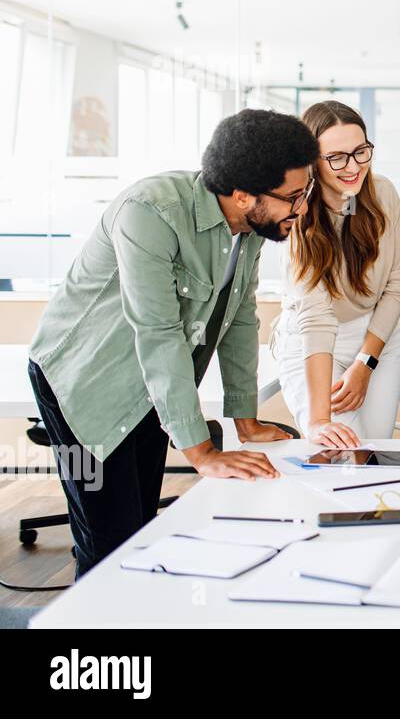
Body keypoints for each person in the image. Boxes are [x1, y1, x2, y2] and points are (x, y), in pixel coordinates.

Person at [27, 109, 319, 575]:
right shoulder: (150, 212)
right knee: (109, 547)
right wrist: (202, 454)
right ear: (243, 195)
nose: (302, 208)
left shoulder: (253, 227)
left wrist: (244, 420)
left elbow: (239, 317)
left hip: (150, 384)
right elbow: (157, 332)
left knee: (142, 533)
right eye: (293, 197)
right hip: (83, 382)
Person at [275, 101, 400, 449]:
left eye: (360, 152)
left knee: (375, 453)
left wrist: (365, 363)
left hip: (375, 338)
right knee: (343, 452)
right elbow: (317, 319)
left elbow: (396, 285)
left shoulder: (383, 194)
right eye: (336, 157)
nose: (353, 167)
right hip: (315, 342)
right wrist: (319, 420)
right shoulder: (297, 214)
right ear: (312, 162)